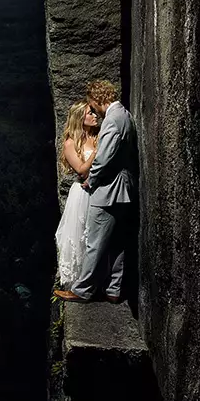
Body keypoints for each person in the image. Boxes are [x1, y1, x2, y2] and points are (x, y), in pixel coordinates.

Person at [55, 80, 137, 304]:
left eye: (92, 104)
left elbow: (103, 158)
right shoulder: (126, 115)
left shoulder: (112, 120)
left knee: (94, 241)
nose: (93, 110)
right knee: (117, 243)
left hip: (108, 190)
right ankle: (114, 289)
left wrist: (92, 179)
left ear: (99, 99)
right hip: (123, 189)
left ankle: (83, 290)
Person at [54, 101, 100, 289]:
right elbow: (81, 169)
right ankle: (80, 283)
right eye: (91, 113)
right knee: (81, 235)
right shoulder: (70, 143)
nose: (95, 116)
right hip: (81, 193)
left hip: (98, 190)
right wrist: (96, 152)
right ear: (81, 118)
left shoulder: (98, 136)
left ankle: (96, 280)